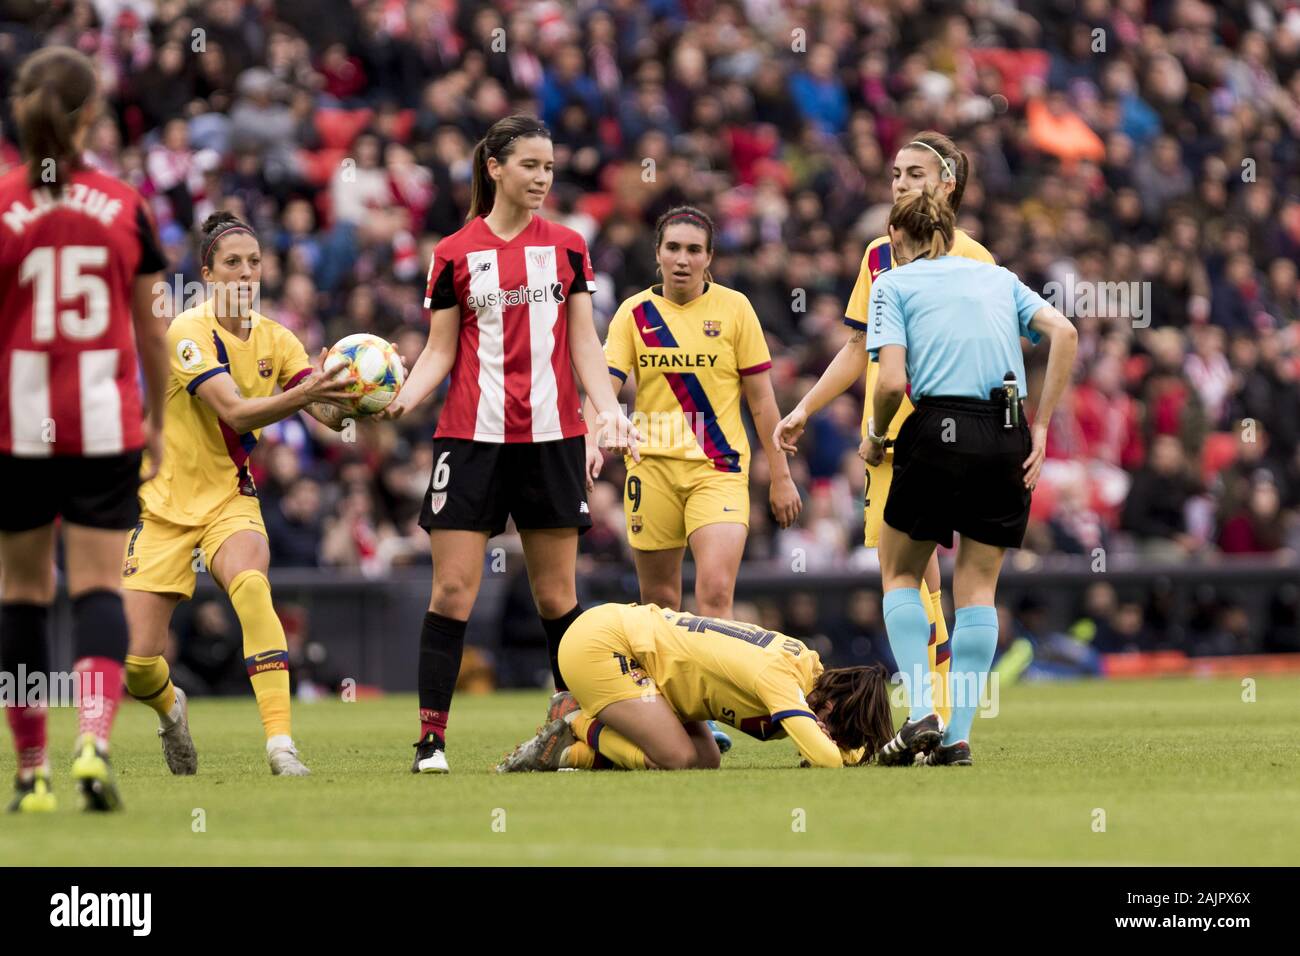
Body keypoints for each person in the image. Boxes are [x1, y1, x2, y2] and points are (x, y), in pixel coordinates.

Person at [383, 114, 639, 774]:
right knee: (452, 594)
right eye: (531, 165)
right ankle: (431, 742)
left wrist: (608, 411)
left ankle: (576, 726)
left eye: (550, 168)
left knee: (558, 598)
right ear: (494, 167)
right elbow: (441, 350)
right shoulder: (452, 253)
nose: (543, 178)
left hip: (554, 438)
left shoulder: (569, 247)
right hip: (470, 439)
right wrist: (404, 398)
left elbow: (585, 341)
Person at [121, 211, 359, 778]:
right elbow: (236, 409)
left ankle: (281, 747)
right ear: (208, 273)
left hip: (230, 498)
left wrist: (365, 398)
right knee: (137, 666)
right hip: (163, 506)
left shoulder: (279, 339)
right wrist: (310, 397)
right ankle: (170, 708)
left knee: (253, 588)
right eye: (233, 263)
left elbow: (324, 411)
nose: (246, 273)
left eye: (254, 262)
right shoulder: (187, 332)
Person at [775, 132, 991, 730]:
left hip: (945, 434)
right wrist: (806, 408)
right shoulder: (877, 253)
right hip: (885, 438)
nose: (900, 184)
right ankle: (938, 717)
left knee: (934, 578)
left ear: (948, 183)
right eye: (896, 173)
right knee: (914, 579)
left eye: (915, 174)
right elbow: (855, 345)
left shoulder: (975, 259)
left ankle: (936, 713)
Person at [0, 47, 169, 812]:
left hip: (17, 431)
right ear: (91, 115)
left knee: (23, 594)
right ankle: (93, 744)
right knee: (100, 584)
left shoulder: (3, 205)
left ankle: (30, 773)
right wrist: (159, 422)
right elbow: (153, 331)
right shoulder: (125, 204)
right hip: (105, 422)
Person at [856, 186, 1077, 766]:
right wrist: (1044, 425)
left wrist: (877, 437)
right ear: (950, 235)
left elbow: (886, 382)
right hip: (1005, 433)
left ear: (899, 239)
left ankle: (922, 708)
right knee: (978, 591)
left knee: (900, 573)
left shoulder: (892, 283)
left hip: (935, 428)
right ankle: (957, 737)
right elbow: (1066, 334)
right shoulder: (998, 278)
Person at [585, 205, 803, 752]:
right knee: (659, 605)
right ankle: (685, 722)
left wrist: (780, 475)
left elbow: (762, 402)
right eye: (674, 248)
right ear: (658, 253)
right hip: (651, 470)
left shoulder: (735, 310)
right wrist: (593, 439)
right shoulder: (633, 314)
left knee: (714, 591)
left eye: (694, 250)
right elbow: (604, 390)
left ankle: (718, 711)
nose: (683, 259)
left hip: (719, 470)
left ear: (710, 258)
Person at [496, 602, 894, 772]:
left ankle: (566, 753)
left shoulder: (807, 669)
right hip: (602, 645)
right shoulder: (782, 679)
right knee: (676, 757)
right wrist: (845, 751)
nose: (832, 735)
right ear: (827, 701)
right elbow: (826, 759)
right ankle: (574, 719)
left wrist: (856, 745)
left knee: (706, 759)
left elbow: (832, 749)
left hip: (634, 651)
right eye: (836, 726)